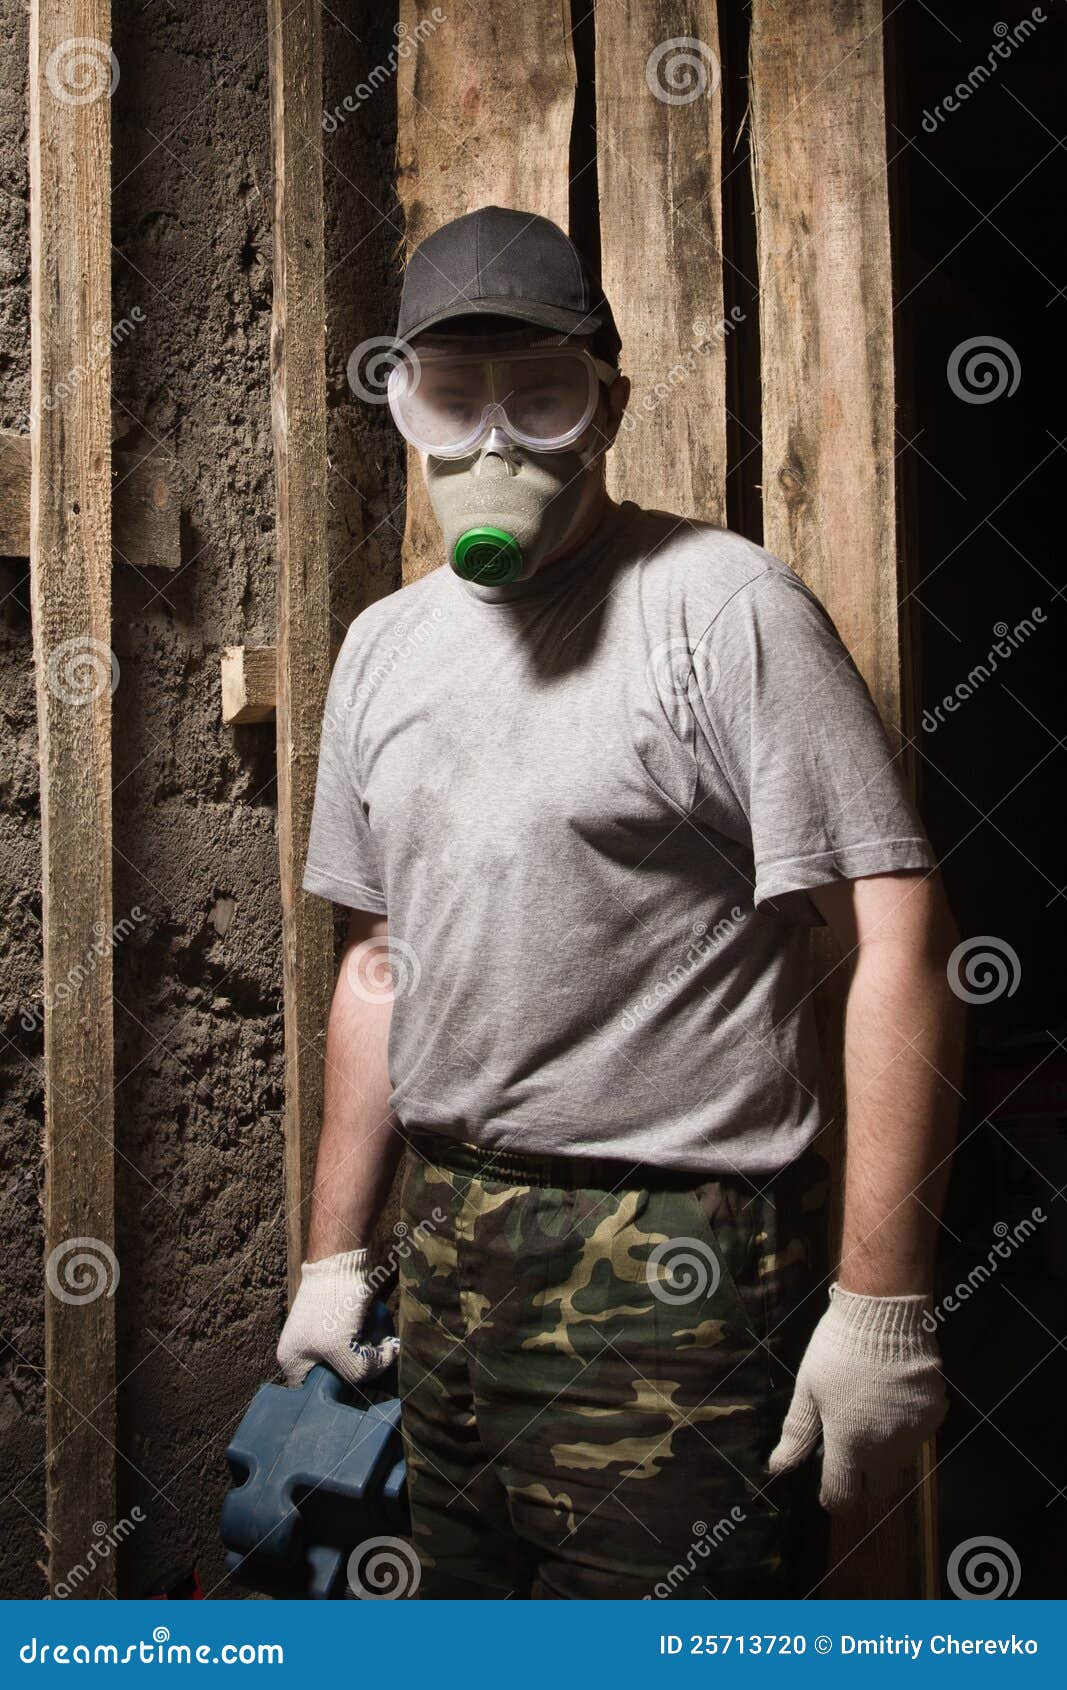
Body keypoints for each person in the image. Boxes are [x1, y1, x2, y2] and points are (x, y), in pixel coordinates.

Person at [277, 205, 965, 1599]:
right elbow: (375, 966)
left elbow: (895, 929)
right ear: (403, 405)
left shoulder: (725, 609)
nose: (493, 442)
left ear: (608, 406)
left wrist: (881, 1296)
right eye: (451, 398)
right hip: (451, 1252)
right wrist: (332, 1258)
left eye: (539, 396)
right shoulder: (382, 649)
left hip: (676, 1272)